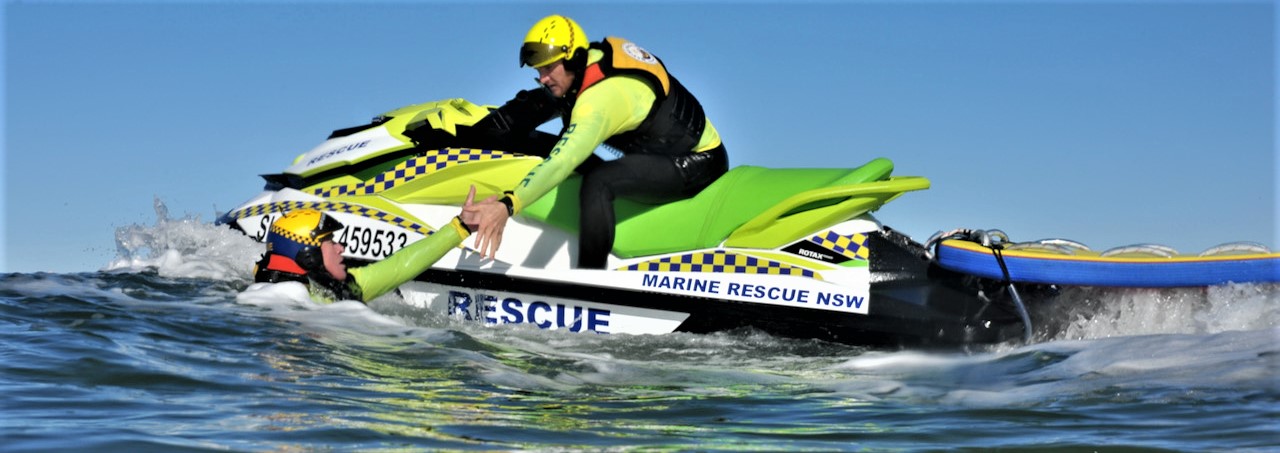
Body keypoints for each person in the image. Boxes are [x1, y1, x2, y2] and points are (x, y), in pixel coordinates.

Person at [464, 14, 729, 269]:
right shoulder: (583, 68)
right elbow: (534, 118)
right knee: (554, 150)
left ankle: (590, 279)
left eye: (548, 68)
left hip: (699, 162)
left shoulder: (600, 101)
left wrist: (507, 207)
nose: (543, 78)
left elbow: (562, 161)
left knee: (598, 181)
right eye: (538, 70)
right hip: (662, 153)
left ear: (574, 58)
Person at [252, 189, 480, 302]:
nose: (340, 247)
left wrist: (460, 228)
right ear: (307, 254)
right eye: (329, 242)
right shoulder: (281, 297)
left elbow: (400, 266)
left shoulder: (337, 290)